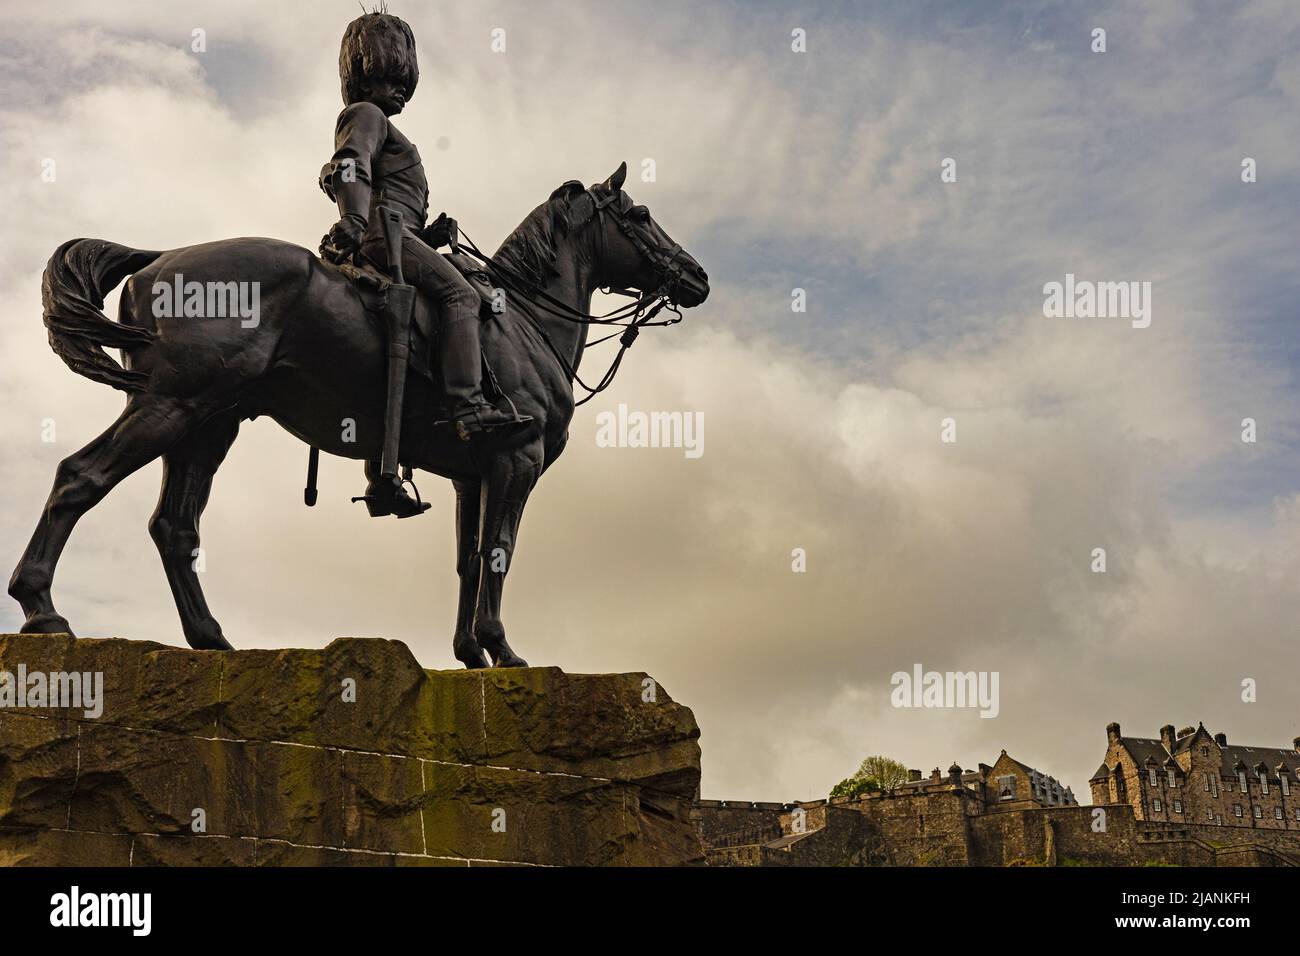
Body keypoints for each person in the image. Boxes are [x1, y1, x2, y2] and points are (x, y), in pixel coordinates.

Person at [319, 11, 528, 518]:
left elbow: (390, 192)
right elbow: (349, 165)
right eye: (394, 77)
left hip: (400, 236)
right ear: (368, 73)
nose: (401, 92)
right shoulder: (367, 115)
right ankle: (467, 406)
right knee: (460, 294)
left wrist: (430, 233)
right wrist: (351, 216)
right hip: (380, 239)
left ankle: (385, 470)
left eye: (405, 82)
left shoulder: (385, 124)